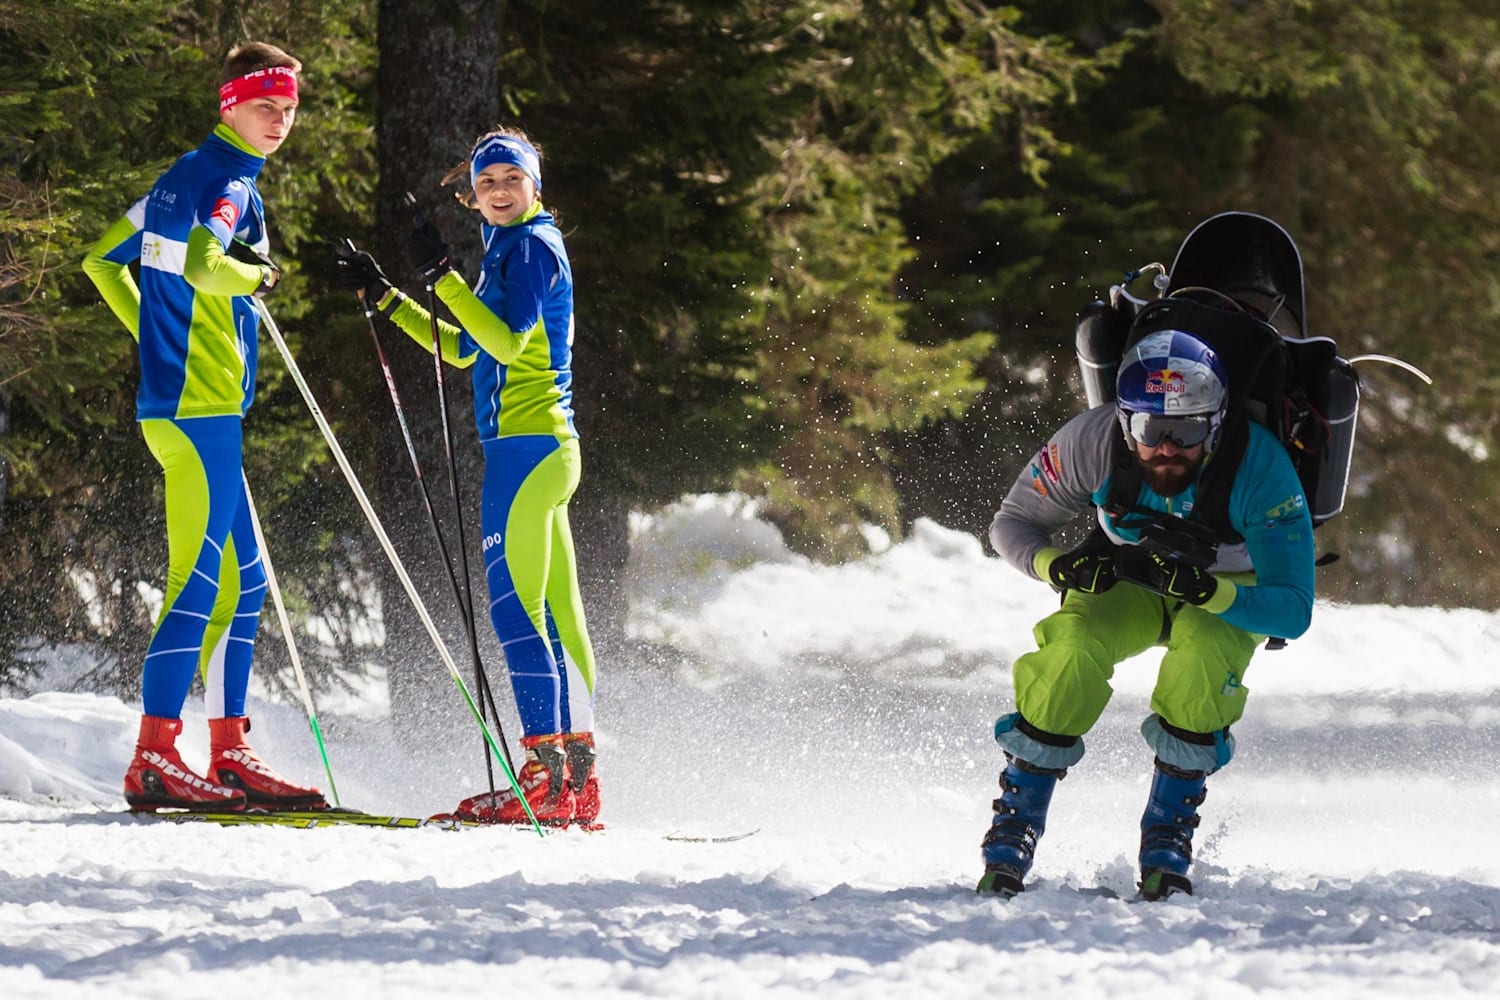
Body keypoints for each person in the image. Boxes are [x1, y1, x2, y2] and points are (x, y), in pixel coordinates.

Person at [978, 326, 1315, 900]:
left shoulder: (1261, 467)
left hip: (1231, 586)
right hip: (1130, 576)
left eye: (1186, 431)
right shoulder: (1089, 440)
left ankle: (1167, 833)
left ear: (1216, 423)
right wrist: (1056, 567)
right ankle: (1015, 825)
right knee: (1070, 655)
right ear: (1123, 421)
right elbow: (1011, 526)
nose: (1166, 447)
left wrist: (1213, 594)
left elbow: (1292, 611)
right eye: (1150, 429)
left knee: (1202, 664)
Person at [82, 42, 326, 812]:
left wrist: (157, 346)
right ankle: (154, 757)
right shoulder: (228, 183)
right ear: (232, 105)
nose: (279, 121)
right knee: (199, 582)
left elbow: (100, 260)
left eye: (288, 109)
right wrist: (258, 276)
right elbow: (201, 267)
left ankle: (229, 753)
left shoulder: (181, 177)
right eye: (266, 106)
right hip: (199, 412)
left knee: (244, 584)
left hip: (189, 406)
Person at [333, 127, 600, 828]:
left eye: (512, 178)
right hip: (539, 449)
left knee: (518, 612)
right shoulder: (509, 252)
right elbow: (467, 349)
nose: (501, 191)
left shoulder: (533, 246)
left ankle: (545, 777)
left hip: (528, 450)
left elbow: (507, 341)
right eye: (488, 184)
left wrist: (445, 276)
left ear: (536, 186)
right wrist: (391, 296)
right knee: (551, 613)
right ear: (474, 198)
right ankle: (574, 782)